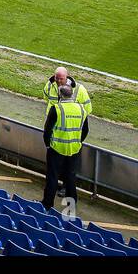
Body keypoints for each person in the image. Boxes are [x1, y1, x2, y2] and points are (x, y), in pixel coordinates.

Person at [42, 83, 88, 211]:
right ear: (72, 95)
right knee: (71, 177)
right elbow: (85, 130)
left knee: (52, 176)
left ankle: (47, 204)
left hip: (57, 148)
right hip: (74, 149)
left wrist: (48, 145)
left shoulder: (57, 108)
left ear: (60, 95)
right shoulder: (82, 109)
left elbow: (47, 130)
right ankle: (71, 206)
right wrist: (78, 142)